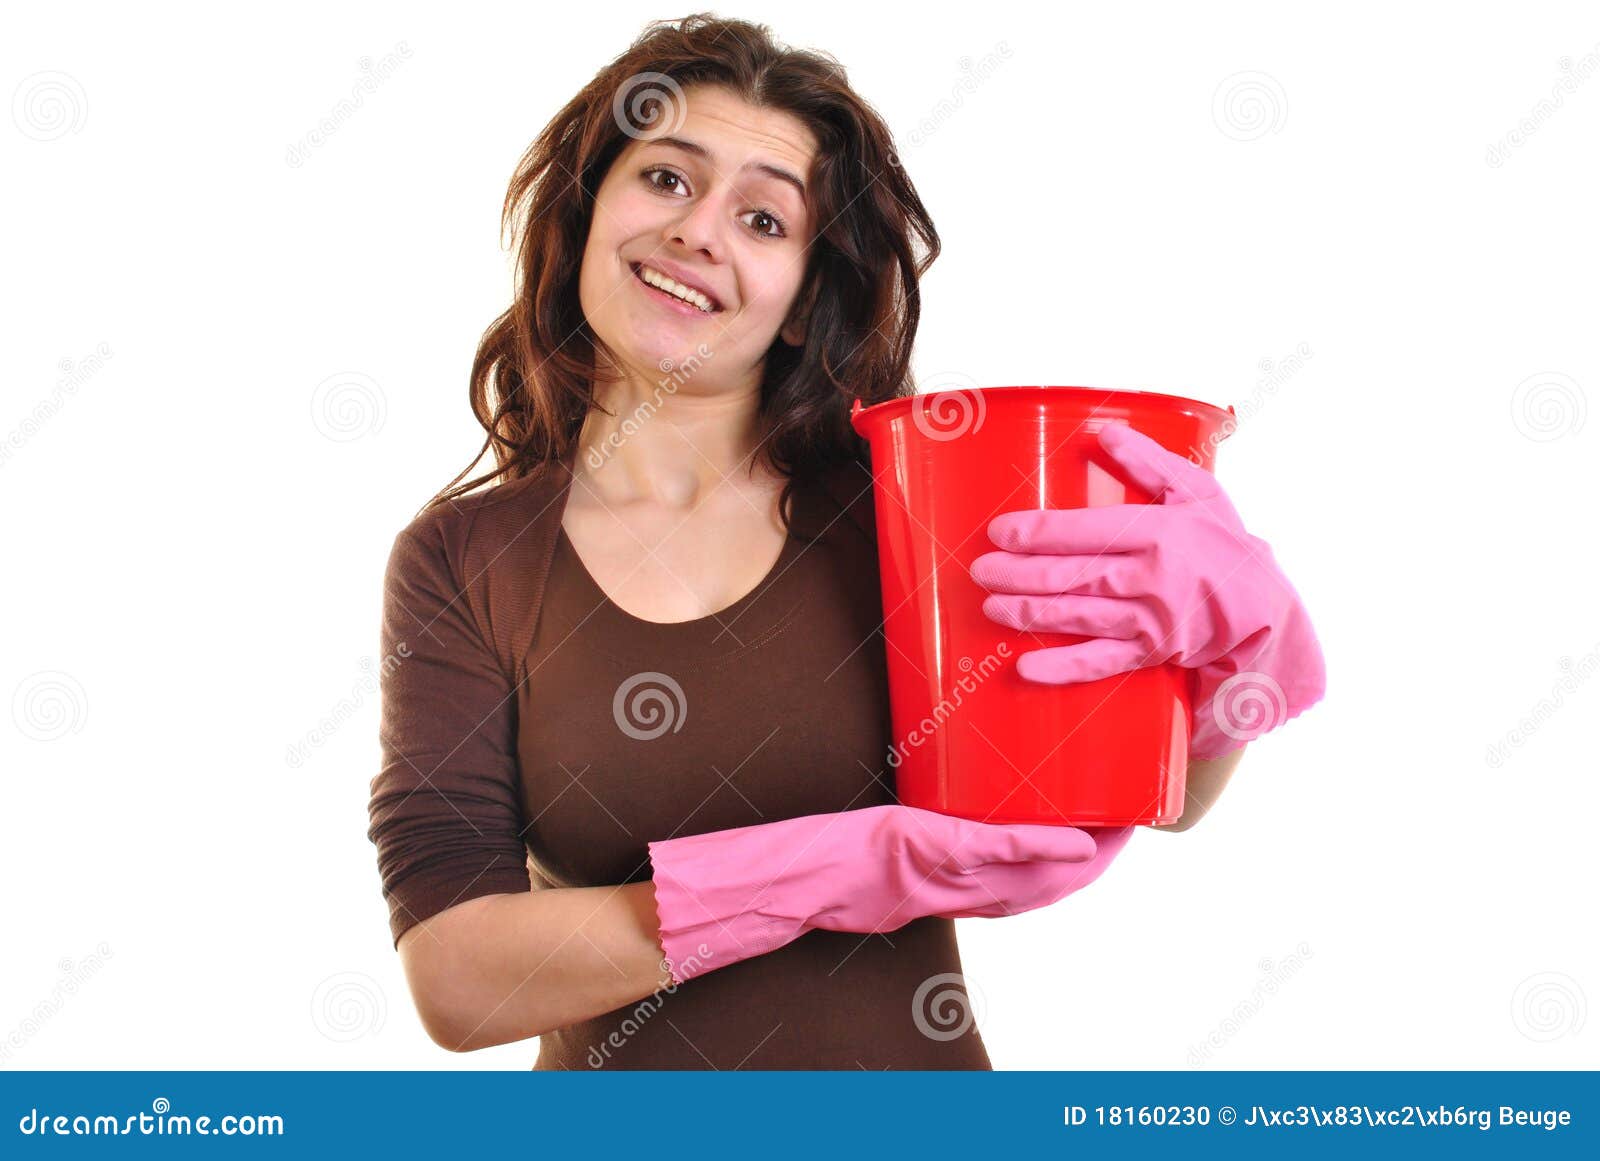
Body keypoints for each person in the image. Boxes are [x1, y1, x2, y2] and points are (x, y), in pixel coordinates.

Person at [366, 13, 1324, 1070]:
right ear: (586, 215)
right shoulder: (467, 562)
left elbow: (1163, 795)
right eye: (668, 180)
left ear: (797, 308)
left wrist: (1242, 655)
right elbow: (458, 980)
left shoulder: (908, 516)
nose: (698, 232)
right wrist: (832, 871)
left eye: (765, 221)